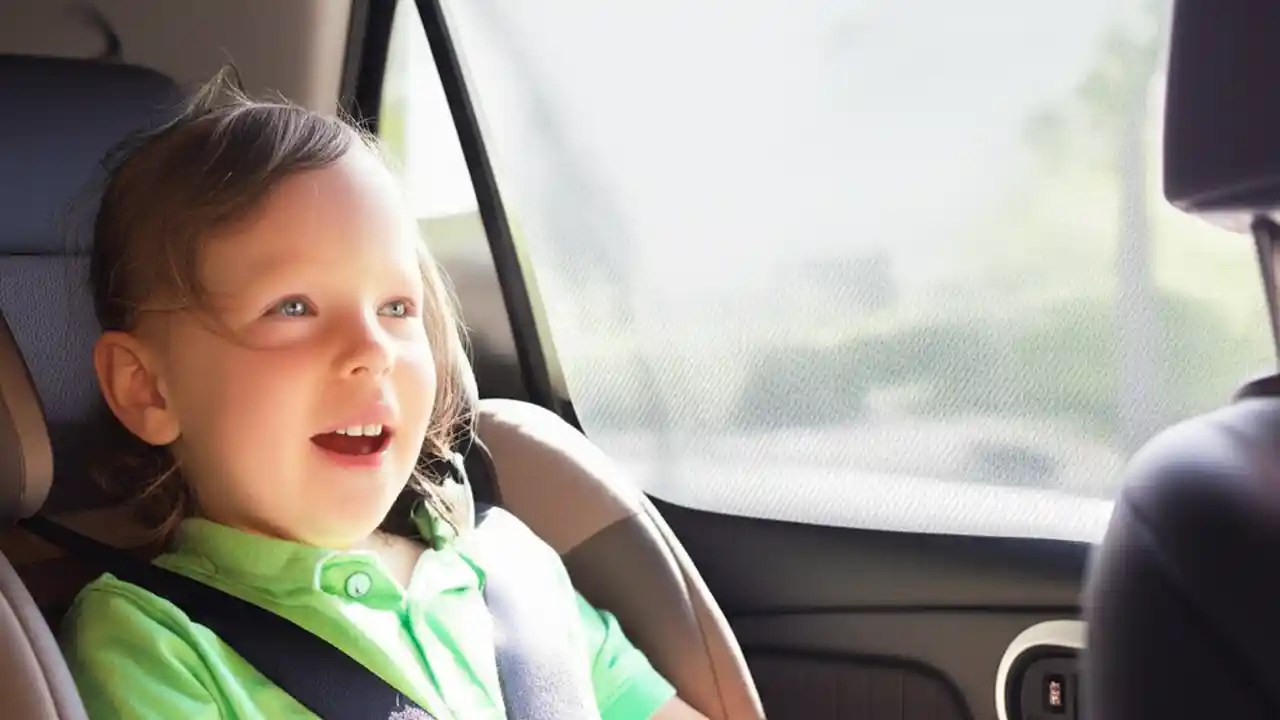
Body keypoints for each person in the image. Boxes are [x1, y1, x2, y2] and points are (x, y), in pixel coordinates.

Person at [57, 71, 706, 720]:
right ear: (147, 390)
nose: (372, 351)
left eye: (396, 307)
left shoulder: (512, 576)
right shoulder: (152, 642)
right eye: (293, 307)